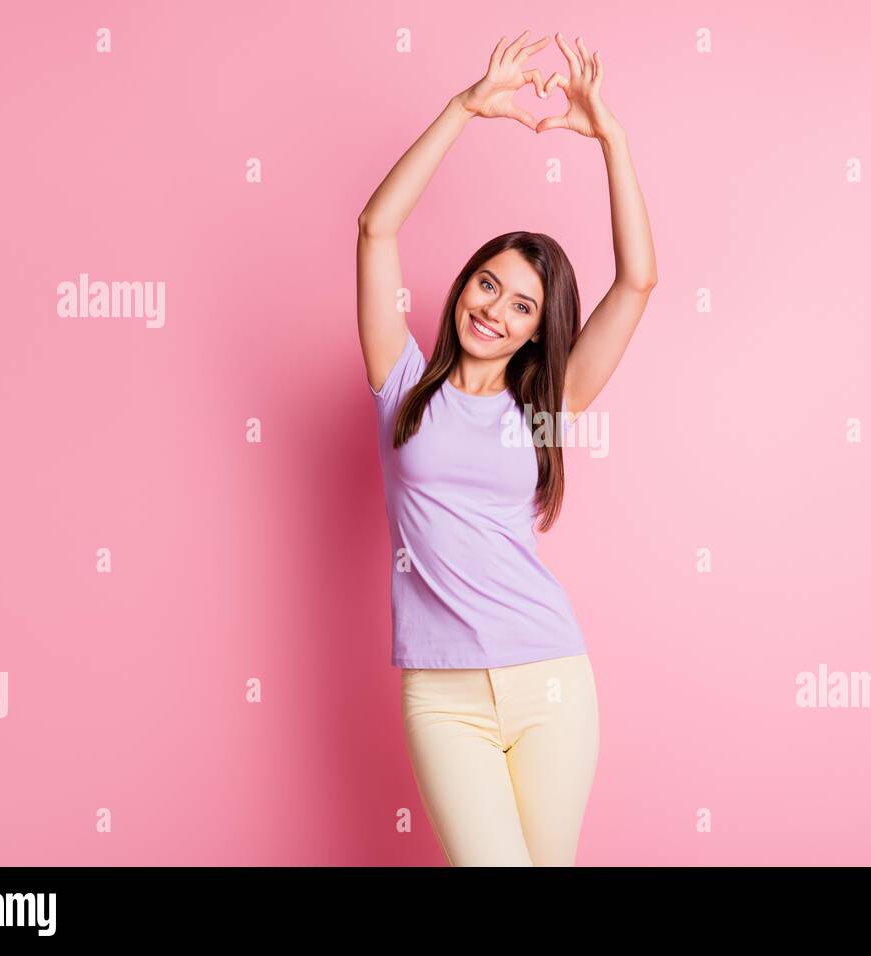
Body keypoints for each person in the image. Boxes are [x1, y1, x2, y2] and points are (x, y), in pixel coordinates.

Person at [356, 29, 657, 866]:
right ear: (463, 287)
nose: (495, 309)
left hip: (552, 676)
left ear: (536, 331)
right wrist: (462, 108)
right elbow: (376, 229)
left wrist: (612, 140)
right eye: (487, 283)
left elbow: (637, 281)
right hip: (442, 692)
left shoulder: (548, 405)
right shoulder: (402, 385)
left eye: (522, 305)